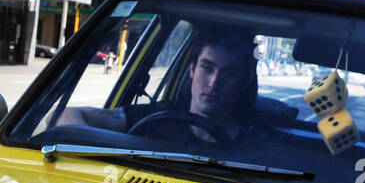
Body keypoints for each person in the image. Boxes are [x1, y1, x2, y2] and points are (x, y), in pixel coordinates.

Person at [59, 28, 263, 146]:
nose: (214, 83)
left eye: (229, 73)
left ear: (243, 81)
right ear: (192, 70)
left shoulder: (258, 144)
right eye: (207, 68)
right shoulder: (155, 118)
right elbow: (67, 115)